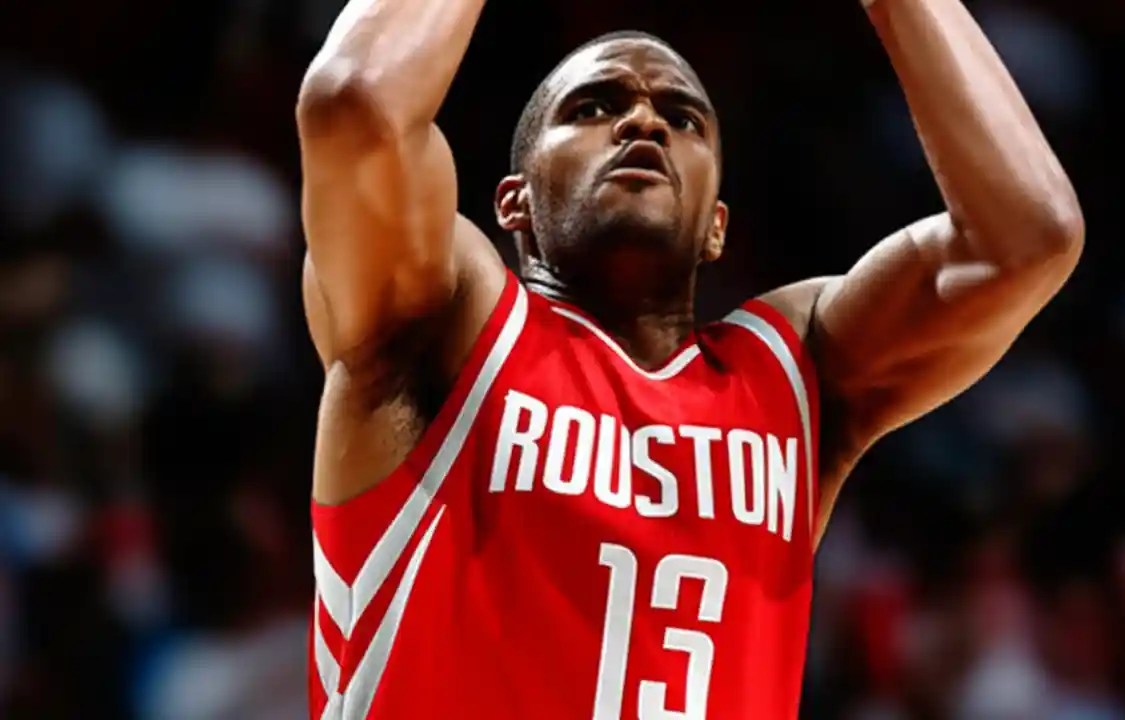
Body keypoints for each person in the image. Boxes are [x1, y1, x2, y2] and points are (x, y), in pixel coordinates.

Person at [296, 0, 1083, 717]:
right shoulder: (443, 324)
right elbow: (355, 104)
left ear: (717, 226)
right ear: (515, 203)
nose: (643, 123)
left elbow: (1028, 238)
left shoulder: (792, 368)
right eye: (594, 107)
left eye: (682, 116)